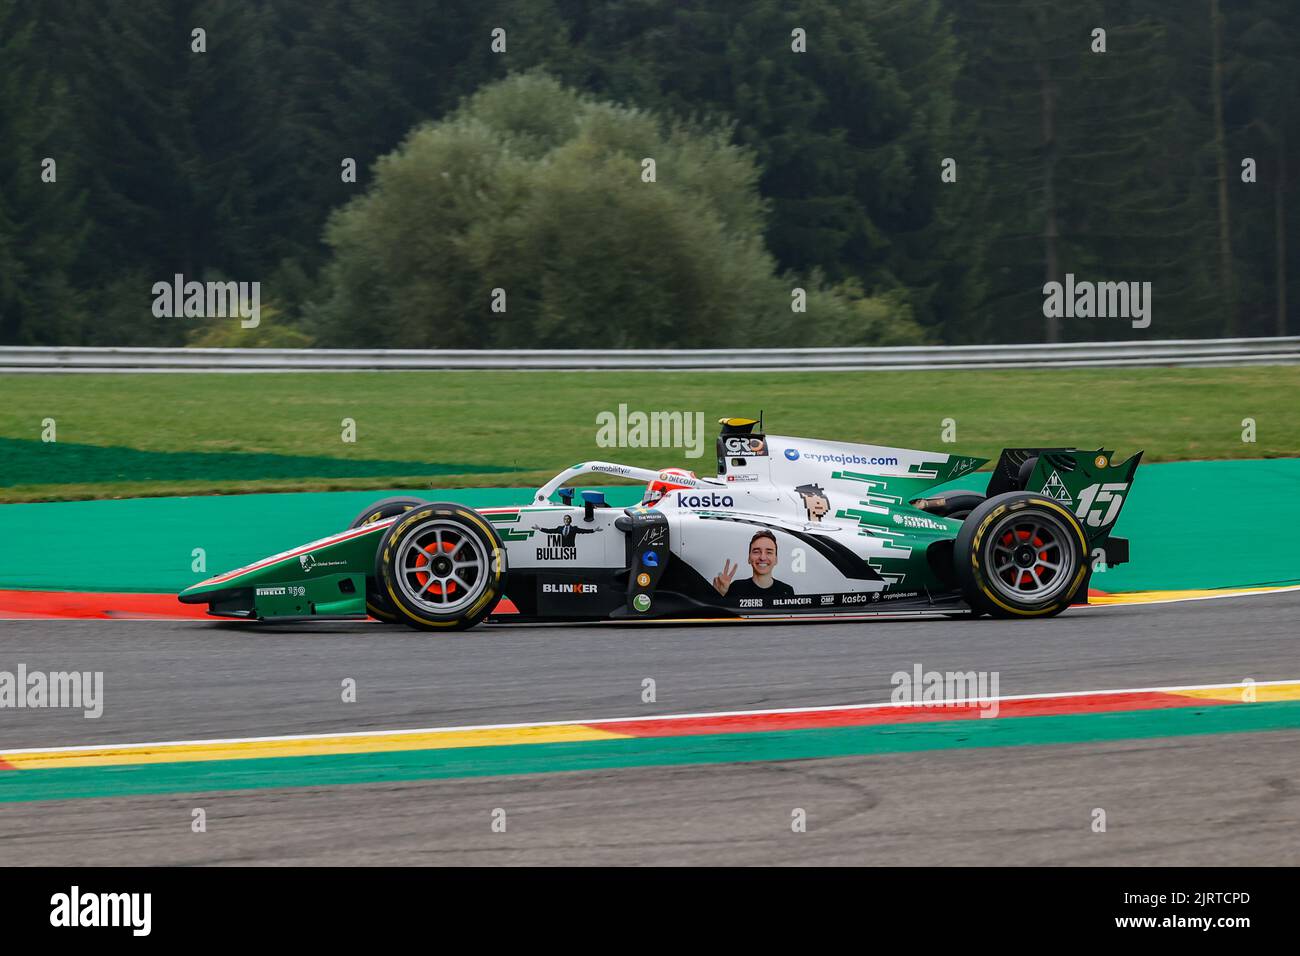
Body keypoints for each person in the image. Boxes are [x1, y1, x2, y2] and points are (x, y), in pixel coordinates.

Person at [712, 530, 795, 602]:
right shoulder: (736, 588)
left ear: (776, 560)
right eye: (756, 552)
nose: (762, 557)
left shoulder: (786, 591)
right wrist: (720, 595)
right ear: (749, 558)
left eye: (769, 552)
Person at [531, 513, 597, 545]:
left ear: (570, 520)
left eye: (568, 519)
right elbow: (550, 531)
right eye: (565, 519)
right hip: (562, 548)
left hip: (571, 548)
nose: (566, 520)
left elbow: (583, 531)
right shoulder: (560, 528)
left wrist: (593, 530)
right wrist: (540, 528)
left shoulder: (574, 528)